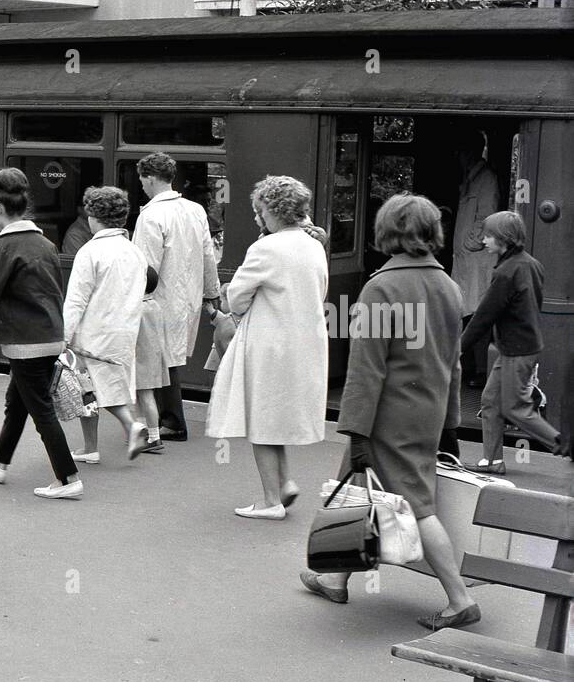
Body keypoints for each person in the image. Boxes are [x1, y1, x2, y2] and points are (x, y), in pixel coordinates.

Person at [301, 193, 479, 631]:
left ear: (388, 232)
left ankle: (459, 599)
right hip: (427, 412)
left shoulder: (381, 287)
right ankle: (335, 578)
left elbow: (366, 369)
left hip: (387, 416)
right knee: (365, 494)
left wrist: (357, 432)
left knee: (414, 503)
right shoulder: (449, 288)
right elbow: (453, 363)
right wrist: (451, 423)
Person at [0, 167, 83, 499]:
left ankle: (68, 478)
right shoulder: (45, 242)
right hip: (50, 334)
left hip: (26, 341)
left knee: (41, 410)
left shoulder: (3, 246)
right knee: (18, 401)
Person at [206, 176, 330, 518]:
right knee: (273, 416)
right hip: (304, 341)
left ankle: (270, 501)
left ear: (272, 211)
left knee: (260, 420)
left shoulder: (266, 248)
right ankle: (285, 482)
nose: (257, 217)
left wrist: (242, 306)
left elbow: (236, 297)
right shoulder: (313, 244)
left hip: (269, 341)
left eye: (259, 211)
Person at [461, 210, 563, 472]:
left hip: (516, 351)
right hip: (517, 348)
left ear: (504, 239)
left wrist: (456, 349)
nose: (484, 240)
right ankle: (493, 461)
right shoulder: (531, 264)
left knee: (516, 408)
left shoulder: (506, 272)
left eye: (489, 235)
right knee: (491, 401)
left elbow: (483, 317)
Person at [61, 186, 157, 464]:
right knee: (101, 389)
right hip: (126, 332)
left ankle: (130, 426)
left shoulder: (90, 251)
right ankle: (90, 448)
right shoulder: (135, 253)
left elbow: (76, 300)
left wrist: (64, 336)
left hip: (93, 335)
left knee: (90, 390)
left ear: (93, 216)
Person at [132, 151, 221, 441]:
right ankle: (168, 420)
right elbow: (209, 255)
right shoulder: (195, 210)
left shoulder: (151, 216)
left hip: (158, 298)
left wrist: (130, 298)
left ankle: (170, 421)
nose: (141, 185)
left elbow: (146, 268)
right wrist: (211, 293)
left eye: (142, 180)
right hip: (189, 297)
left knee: (158, 359)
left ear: (150, 178)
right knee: (169, 359)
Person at [449, 130, 499, 387]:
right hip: (467, 262)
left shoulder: (485, 179)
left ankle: (479, 370)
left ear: (468, 153)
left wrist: (469, 243)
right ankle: (469, 368)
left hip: (476, 262)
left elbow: (486, 217)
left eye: (460, 152)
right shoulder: (471, 179)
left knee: (477, 313)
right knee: (467, 312)